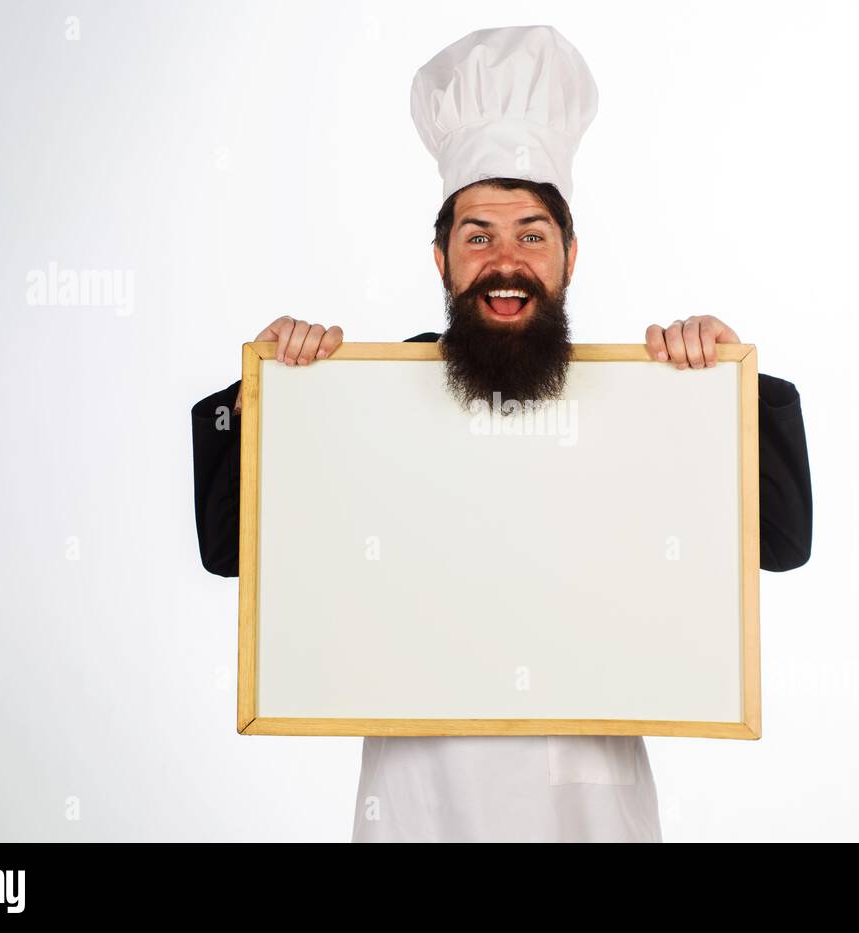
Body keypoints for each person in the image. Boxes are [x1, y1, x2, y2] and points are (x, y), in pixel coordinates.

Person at [189, 25, 812, 842]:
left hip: (591, 806)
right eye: (478, 235)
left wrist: (731, 387)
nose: (505, 259)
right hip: (418, 799)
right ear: (442, 258)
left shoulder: (643, 403)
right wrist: (269, 395)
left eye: (531, 234)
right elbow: (229, 548)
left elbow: (784, 540)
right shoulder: (368, 400)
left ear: (570, 256)